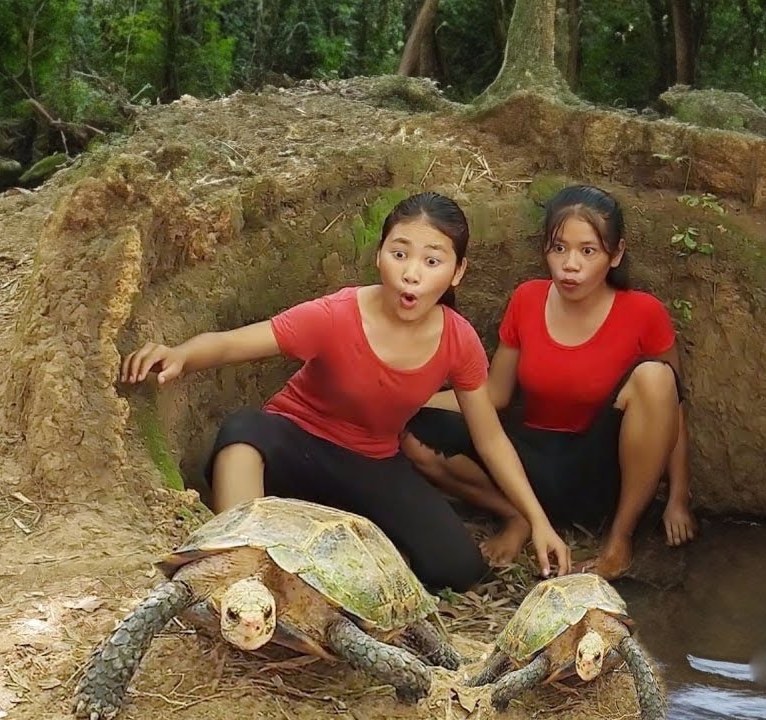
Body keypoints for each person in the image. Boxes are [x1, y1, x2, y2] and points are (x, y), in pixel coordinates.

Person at [119, 191, 571, 592]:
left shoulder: (458, 339)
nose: (412, 273)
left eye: (432, 261)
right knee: (243, 430)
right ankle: (240, 567)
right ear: (379, 256)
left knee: (456, 569)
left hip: (372, 462)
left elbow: (490, 438)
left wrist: (537, 521)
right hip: (296, 447)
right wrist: (179, 353)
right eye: (400, 254)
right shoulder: (336, 314)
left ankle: (340, 549)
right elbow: (235, 342)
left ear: (457, 272)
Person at [401, 184, 698, 581]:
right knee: (414, 436)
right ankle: (519, 516)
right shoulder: (527, 299)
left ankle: (618, 542)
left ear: (616, 254)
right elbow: (494, 395)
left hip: (601, 469)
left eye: (587, 251)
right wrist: (406, 401)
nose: (570, 265)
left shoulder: (644, 312)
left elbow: (670, 405)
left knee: (656, 378)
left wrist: (678, 497)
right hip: (531, 461)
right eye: (559, 248)